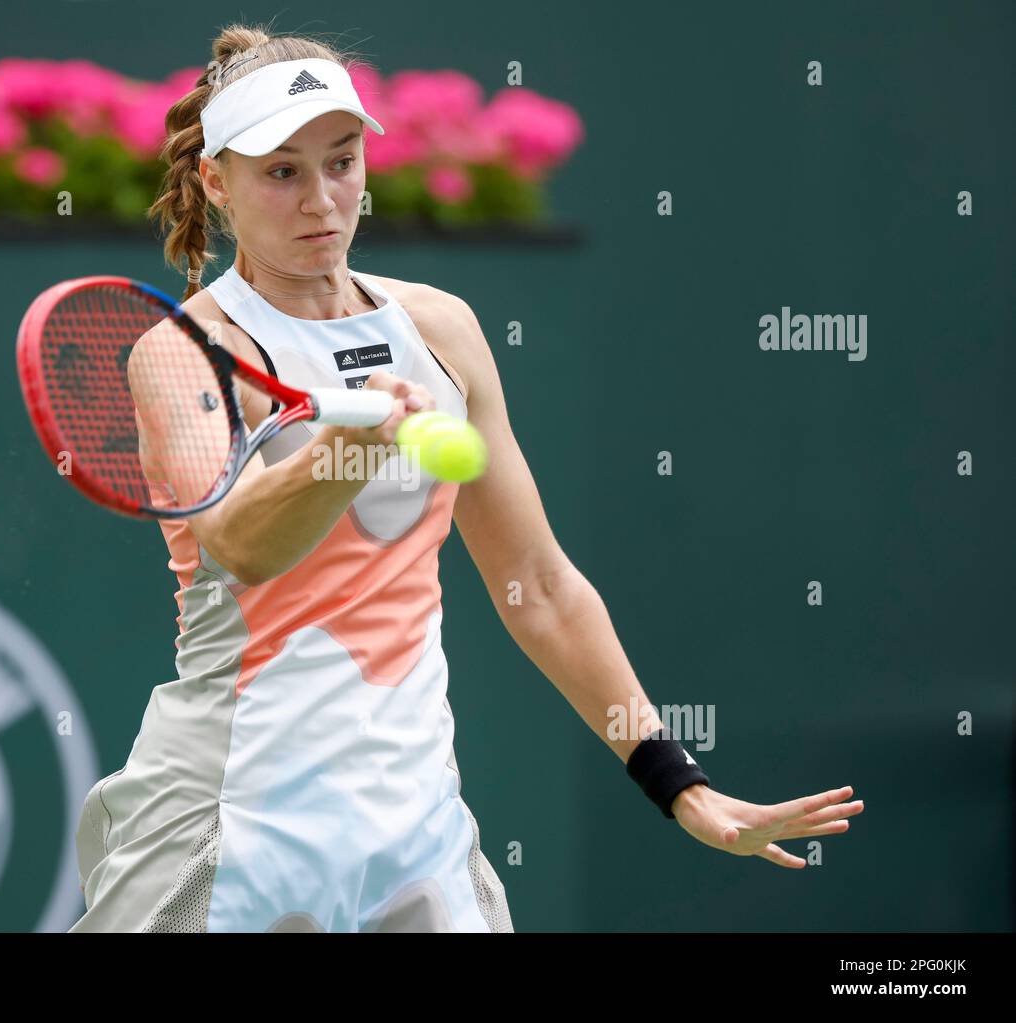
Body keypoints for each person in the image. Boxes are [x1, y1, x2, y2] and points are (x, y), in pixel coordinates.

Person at [70, 24, 864, 933]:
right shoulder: (182, 353)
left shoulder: (440, 329)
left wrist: (678, 783)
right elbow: (242, 545)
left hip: (412, 830)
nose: (322, 199)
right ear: (217, 183)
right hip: (228, 824)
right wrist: (349, 450)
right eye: (281, 172)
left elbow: (542, 587)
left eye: (342, 160)